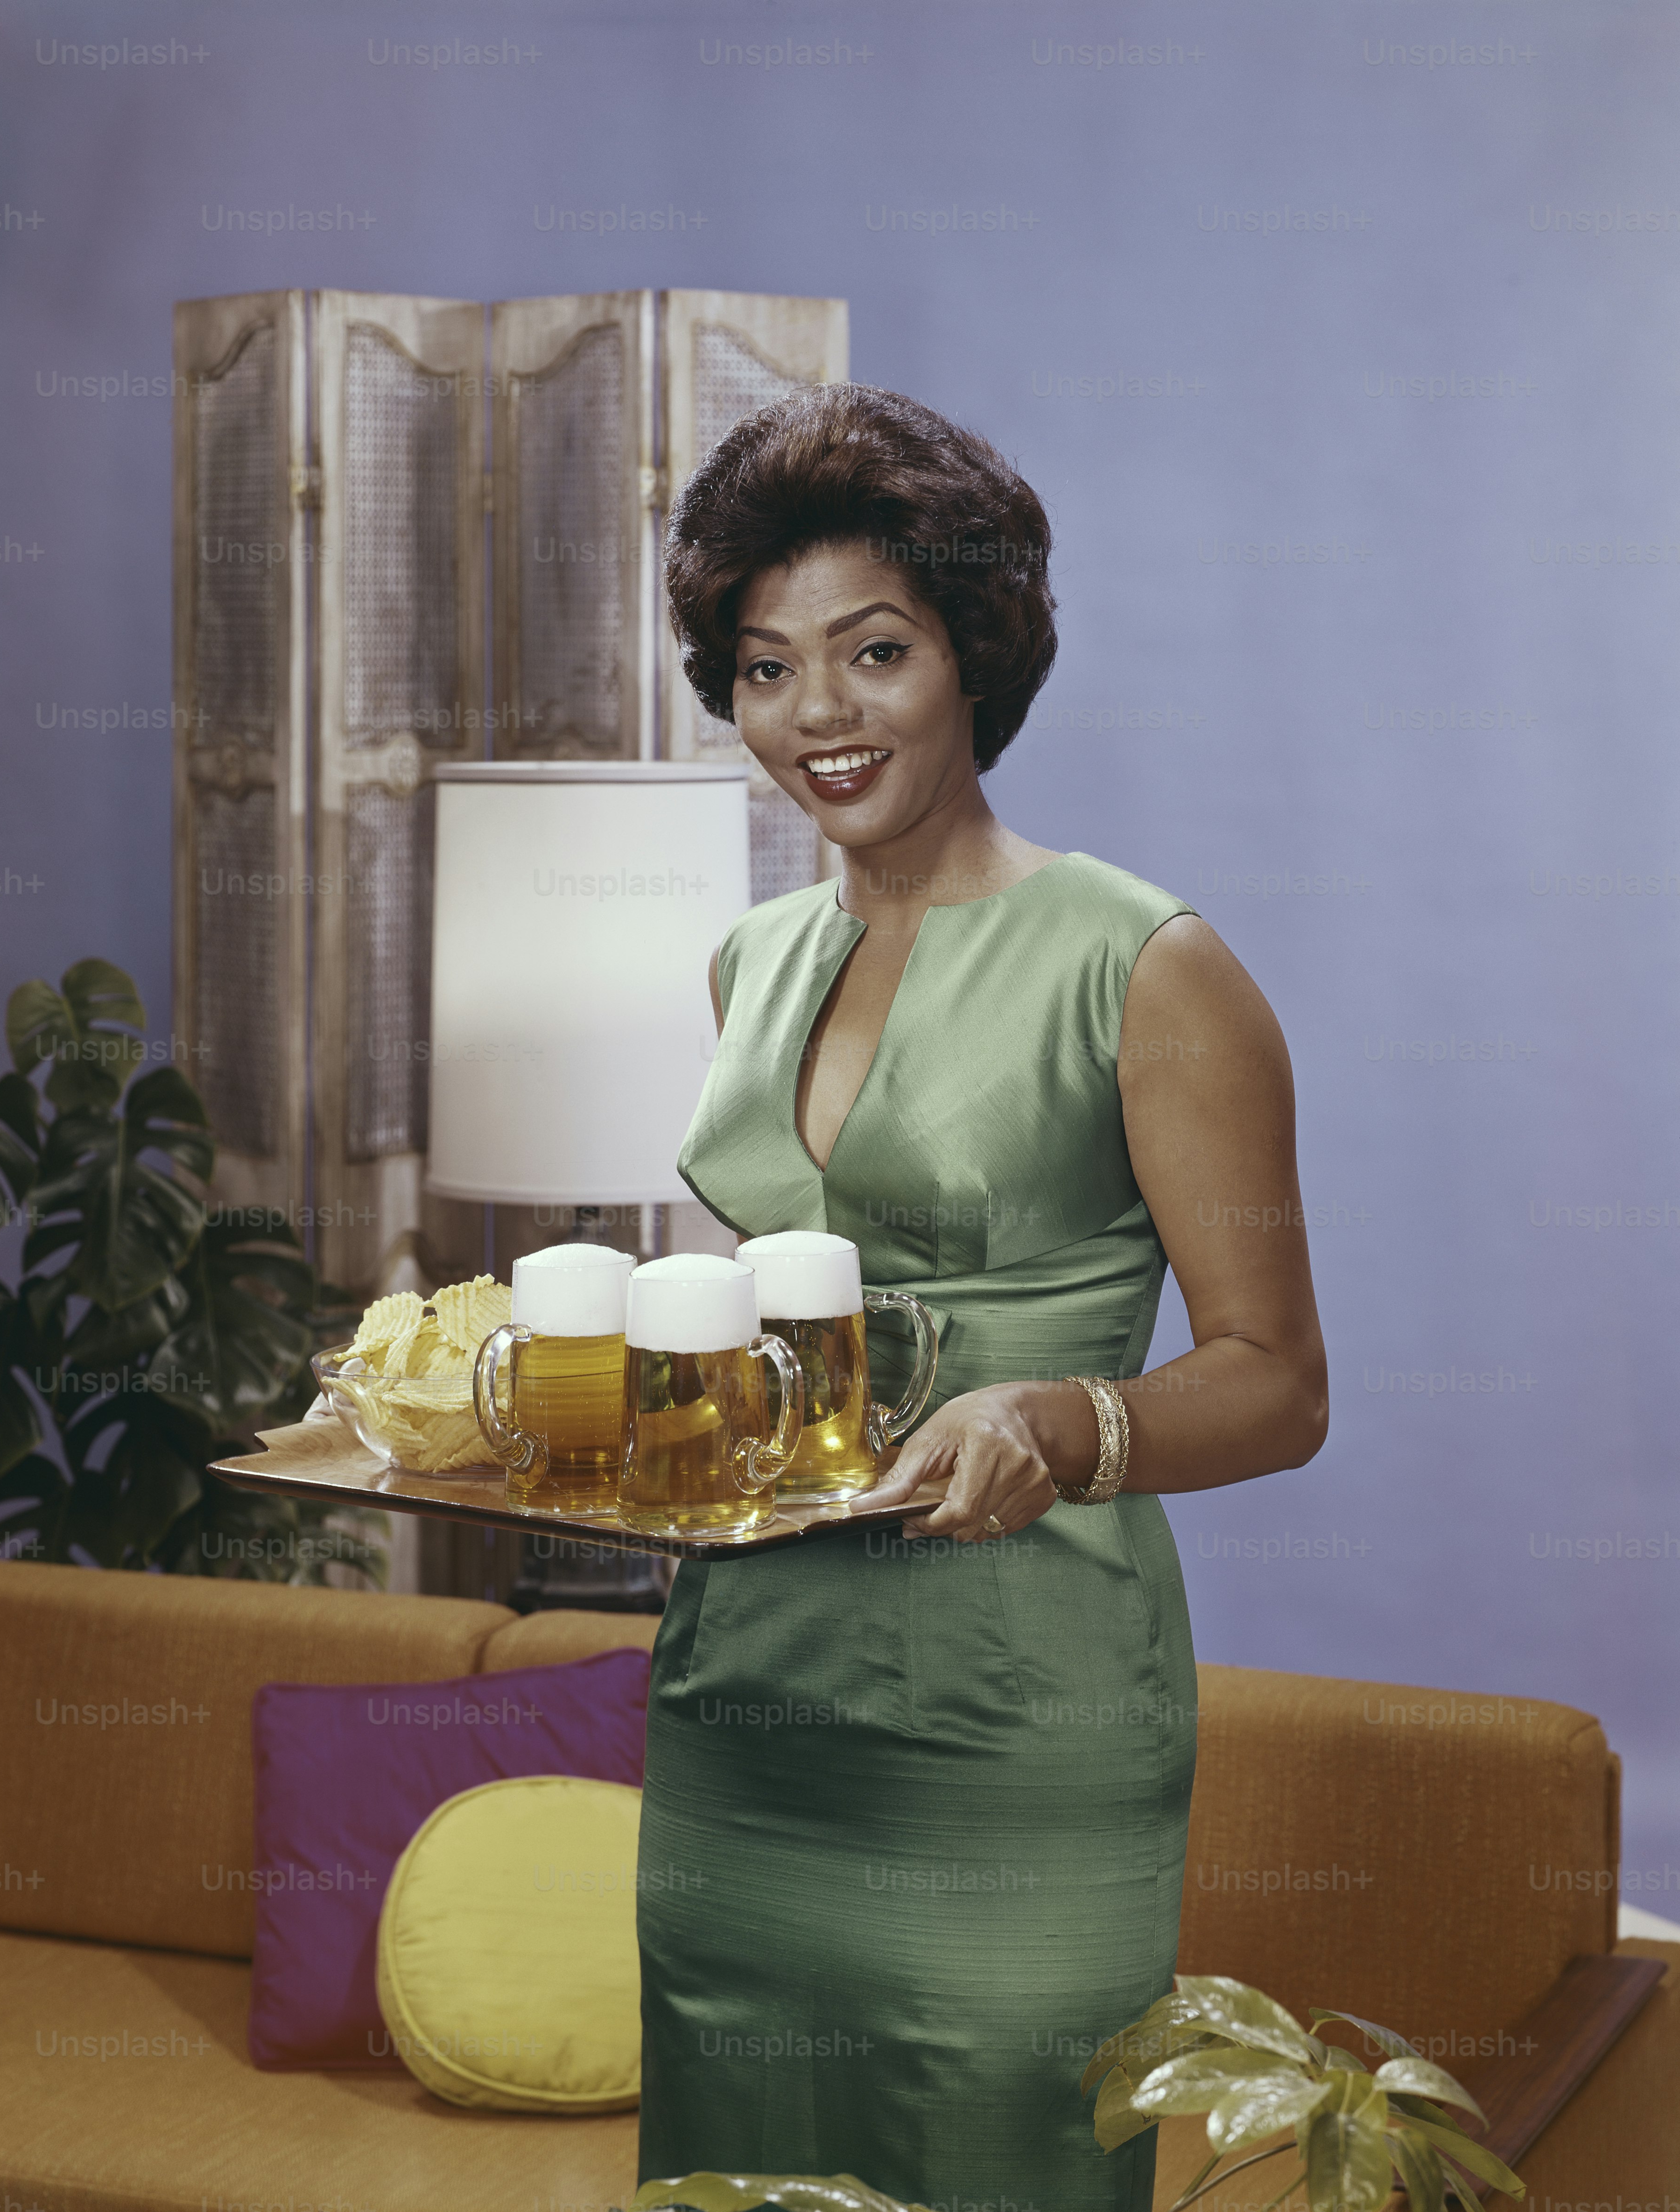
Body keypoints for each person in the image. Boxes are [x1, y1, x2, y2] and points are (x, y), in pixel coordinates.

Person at [637, 384, 1329, 2212]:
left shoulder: (1144, 963)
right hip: (745, 1687)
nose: (816, 716)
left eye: (873, 652)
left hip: (1018, 1714)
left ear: (974, 654)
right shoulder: (752, 957)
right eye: (766, 667)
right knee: (729, 2166)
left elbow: (1275, 1383)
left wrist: (1060, 1420)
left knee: (1001, 2161)